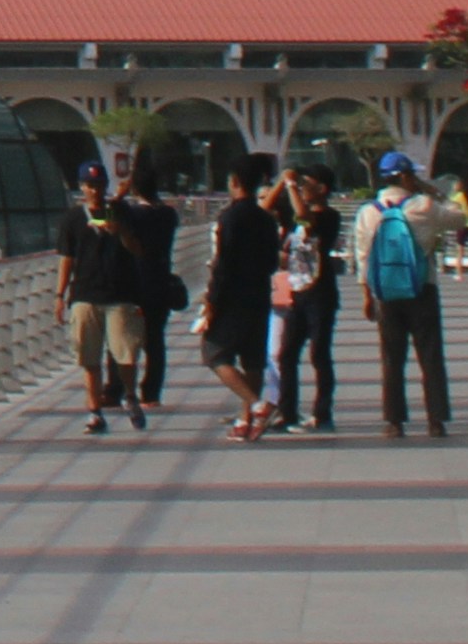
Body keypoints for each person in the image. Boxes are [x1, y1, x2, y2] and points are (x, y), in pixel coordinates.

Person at [357, 152, 460, 438]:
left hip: (386, 293)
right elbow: (460, 219)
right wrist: (437, 193)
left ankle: (393, 420)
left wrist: (367, 295)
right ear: (406, 176)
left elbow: (363, 256)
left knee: (391, 357)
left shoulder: (369, 211)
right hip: (421, 288)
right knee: (430, 355)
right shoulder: (424, 205)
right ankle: (435, 420)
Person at [59, 168, 150, 435]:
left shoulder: (121, 212)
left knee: (126, 354)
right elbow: (67, 258)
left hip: (120, 294)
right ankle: (94, 412)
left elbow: (139, 250)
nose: (94, 190)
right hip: (85, 294)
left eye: (98, 184)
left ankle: (130, 395)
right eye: (89, 185)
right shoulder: (74, 218)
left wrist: (120, 232)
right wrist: (59, 295)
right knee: (89, 357)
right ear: (82, 187)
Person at [199, 170, 282, 439]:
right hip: (259, 295)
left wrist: (212, 299)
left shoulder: (230, 217)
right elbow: (272, 262)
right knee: (253, 360)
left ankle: (258, 407)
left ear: (234, 182)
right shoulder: (266, 220)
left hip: (232, 297)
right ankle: (246, 422)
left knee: (214, 353)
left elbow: (223, 264)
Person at [267, 168, 346, 432]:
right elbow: (265, 209)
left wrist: (291, 185)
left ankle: (323, 413)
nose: (301, 188)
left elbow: (305, 215)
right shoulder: (295, 222)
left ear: (322, 189)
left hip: (321, 294)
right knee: (286, 353)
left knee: (319, 354)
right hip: (298, 293)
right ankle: (287, 412)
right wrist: (282, 182)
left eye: (306, 184)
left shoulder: (329, 216)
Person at [108, 152, 183, 413]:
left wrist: (119, 194)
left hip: (132, 282)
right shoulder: (169, 215)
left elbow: (109, 217)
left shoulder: (132, 213)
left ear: (136, 188)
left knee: (121, 337)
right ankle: (151, 392)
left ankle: (115, 389)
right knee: (155, 340)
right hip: (161, 281)